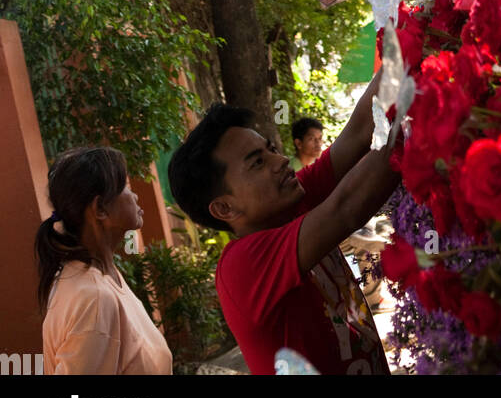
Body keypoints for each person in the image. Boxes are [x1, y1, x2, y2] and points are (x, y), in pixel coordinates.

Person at [167, 72, 397, 376]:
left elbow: (356, 134)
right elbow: (346, 208)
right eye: (257, 163)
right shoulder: (241, 265)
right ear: (224, 207)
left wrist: (407, 44)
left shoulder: (291, 200)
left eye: (271, 150)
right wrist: (420, 119)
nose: (281, 161)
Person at [36, 146, 173, 375]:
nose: (135, 195)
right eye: (126, 187)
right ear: (100, 209)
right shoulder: (95, 298)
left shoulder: (100, 274)